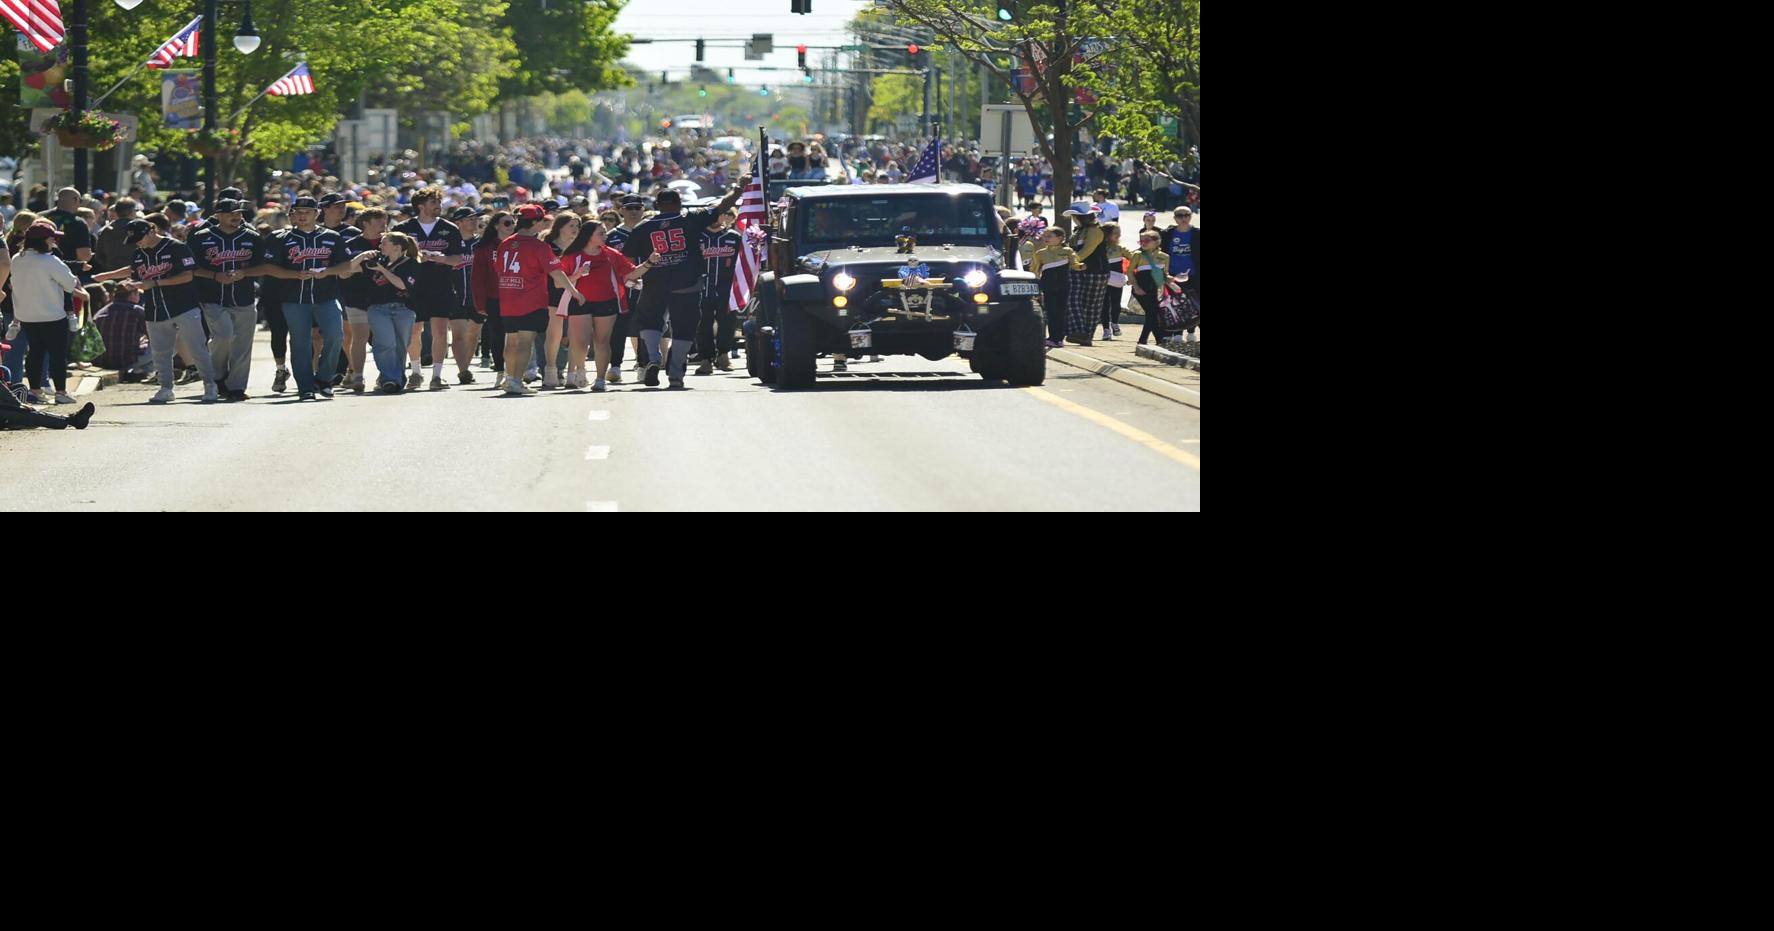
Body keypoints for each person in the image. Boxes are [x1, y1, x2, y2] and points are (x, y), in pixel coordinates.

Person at [620, 181, 748, 389]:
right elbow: (722, 207)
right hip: (687, 284)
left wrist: (635, 276)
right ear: (679, 204)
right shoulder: (690, 219)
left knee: (649, 322)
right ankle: (676, 373)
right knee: (684, 328)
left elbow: (627, 259)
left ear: (657, 205)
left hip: (654, 284)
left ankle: (653, 358)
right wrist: (738, 189)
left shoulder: (642, 227)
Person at [93, 218, 219, 403]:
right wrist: (112, 277)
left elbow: (187, 275)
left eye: (139, 238)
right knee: (160, 352)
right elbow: (134, 271)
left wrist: (155, 283)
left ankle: (210, 384)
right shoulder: (138, 253)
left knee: (197, 348)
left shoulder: (177, 247)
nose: (137, 243)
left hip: (184, 305)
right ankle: (166, 388)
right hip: (155, 308)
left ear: (152, 231)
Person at [251, 196, 355, 401]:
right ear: (292, 214)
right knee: (300, 343)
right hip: (294, 299)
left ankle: (324, 379)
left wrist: (327, 271)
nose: (302, 215)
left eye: (307, 212)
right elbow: (269, 267)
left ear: (317, 214)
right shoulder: (280, 238)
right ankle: (305, 387)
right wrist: (295, 274)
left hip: (326, 296)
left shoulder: (332, 236)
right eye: (298, 212)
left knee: (335, 336)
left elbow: (346, 265)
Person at [494, 204, 582, 396]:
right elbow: (557, 273)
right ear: (534, 222)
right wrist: (574, 291)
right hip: (530, 299)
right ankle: (516, 381)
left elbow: (498, 269)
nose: (544, 223)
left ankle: (509, 378)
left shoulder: (505, 243)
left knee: (511, 340)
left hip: (508, 298)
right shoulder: (539, 246)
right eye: (542, 220)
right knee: (525, 341)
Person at [393, 188, 471, 391]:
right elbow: (392, 257)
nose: (439, 206)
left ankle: (437, 375)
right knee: (414, 330)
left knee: (440, 330)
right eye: (433, 202)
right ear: (421, 206)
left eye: (439, 202)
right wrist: (415, 258)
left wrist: (440, 258)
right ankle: (415, 372)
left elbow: (459, 258)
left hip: (441, 284)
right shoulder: (404, 228)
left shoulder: (449, 228)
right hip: (412, 286)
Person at [560, 221, 648, 391]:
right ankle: (581, 370)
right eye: (600, 233)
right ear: (588, 236)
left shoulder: (611, 254)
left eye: (605, 233)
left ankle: (600, 379)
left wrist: (649, 263)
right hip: (579, 301)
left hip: (607, 301)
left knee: (602, 341)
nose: (605, 236)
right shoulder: (573, 255)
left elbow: (631, 273)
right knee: (580, 342)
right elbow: (559, 283)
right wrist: (577, 275)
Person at [188, 199, 261, 402]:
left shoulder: (252, 236)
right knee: (224, 335)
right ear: (218, 215)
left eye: (238, 213)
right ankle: (218, 376)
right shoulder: (200, 237)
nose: (236, 216)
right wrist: (214, 275)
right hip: (212, 296)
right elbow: (189, 267)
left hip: (244, 296)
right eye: (230, 213)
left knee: (243, 344)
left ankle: (236, 387)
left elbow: (264, 265)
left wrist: (244, 272)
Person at [8, 221, 85, 405]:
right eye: (52, 238)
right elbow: (70, 284)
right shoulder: (50, 261)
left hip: (26, 315)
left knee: (35, 352)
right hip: (52, 315)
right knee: (57, 354)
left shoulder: (17, 259)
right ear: (43, 240)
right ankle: (61, 392)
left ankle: (35, 390)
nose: (54, 242)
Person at [358, 231, 424, 394]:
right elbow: (351, 269)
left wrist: (382, 269)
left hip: (404, 309)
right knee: (385, 343)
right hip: (377, 308)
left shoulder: (411, 264)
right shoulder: (377, 260)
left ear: (397, 247)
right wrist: (361, 257)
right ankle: (389, 379)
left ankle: (396, 379)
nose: (380, 246)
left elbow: (402, 285)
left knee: (400, 346)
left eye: (384, 243)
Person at [339, 208, 392, 393]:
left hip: (384, 298)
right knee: (359, 337)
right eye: (379, 222)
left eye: (385, 221)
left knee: (383, 340)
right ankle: (358, 376)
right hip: (356, 297)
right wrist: (360, 259)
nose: (384, 225)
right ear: (365, 224)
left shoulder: (391, 242)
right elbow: (344, 273)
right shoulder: (350, 244)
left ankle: (385, 375)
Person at [602, 195, 649, 382]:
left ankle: (643, 365)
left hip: (647, 289)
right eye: (629, 208)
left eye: (638, 207)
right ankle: (615, 366)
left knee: (645, 328)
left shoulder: (650, 231)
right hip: (620, 290)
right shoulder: (612, 236)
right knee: (618, 329)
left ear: (643, 209)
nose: (634, 211)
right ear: (622, 210)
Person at [694, 207, 742, 376]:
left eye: (719, 215)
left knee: (727, 323)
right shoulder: (697, 236)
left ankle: (723, 355)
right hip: (702, 288)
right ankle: (705, 359)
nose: (715, 219)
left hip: (726, 289)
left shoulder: (734, 237)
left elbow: (742, 264)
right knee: (702, 324)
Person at [539, 212, 582, 389]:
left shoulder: (580, 246)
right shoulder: (547, 246)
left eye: (577, 226)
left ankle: (572, 374)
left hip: (577, 293)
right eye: (571, 225)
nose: (575, 229)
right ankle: (550, 370)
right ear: (560, 226)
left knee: (574, 335)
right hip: (553, 293)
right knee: (554, 334)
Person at [471, 212, 513, 385]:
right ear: (496, 226)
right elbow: (477, 277)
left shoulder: (520, 244)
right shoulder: (485, 248)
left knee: (517, 335)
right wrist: (480, 303)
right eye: (507, 223)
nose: (511, 226)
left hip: (518, 297)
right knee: (498, 335)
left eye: (513, 223)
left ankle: (516, 372)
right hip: (494, 298)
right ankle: (500, 371)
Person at [449, 207, 484, 384]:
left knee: (473, 332)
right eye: (470, 219)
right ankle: (463, 370)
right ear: (459, 223)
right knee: (458, 334)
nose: (475, 221)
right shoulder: (450, 244)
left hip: (477, 295)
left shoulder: (481, 244)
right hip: (455, 294)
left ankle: (466, 367)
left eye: (476, 218)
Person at [1063, 203, 1106, 347]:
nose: (1073, 219)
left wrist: (1070, 261)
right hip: (1078, 270)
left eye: (1074, 216)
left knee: (1092, 305)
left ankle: (1086, 336)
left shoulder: (1095, 231)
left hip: (1096, 271)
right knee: (1073, 299)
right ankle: (1079, 331)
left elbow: (1087, 250)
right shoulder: (1078, 231)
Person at [1030, 227, 1075, 349]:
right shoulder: (1040, 253)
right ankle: (1052, 337)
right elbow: (1035, 269)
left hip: (1064, 285)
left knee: (1061, 311)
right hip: (1048, 285)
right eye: (1044, 236)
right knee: (1051, 311)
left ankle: (1059, 338)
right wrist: (1035, 282)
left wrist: (1080, 266)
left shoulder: (1067, 251)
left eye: (1049, 236)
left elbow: (1075, 262)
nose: (1046, 238)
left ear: (1060, 238)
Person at [92, 281, 149, 375]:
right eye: (138, 294)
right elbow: (154, 337)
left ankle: (136, 372)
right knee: (167, 345)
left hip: (101, 361)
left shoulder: (100, 312)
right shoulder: (137, 310)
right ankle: (138, 373)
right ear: (132, 294)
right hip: (126, 361)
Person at [1099, 223, 1132, 341]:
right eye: (1115, 233)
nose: (1118, 235)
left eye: (1119, 232)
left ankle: (1115, 323)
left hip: (1117, 280)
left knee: (1116, 302)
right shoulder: (1099, 248)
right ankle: (1106, 329)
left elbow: (1133, 257)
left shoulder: (1120, 248)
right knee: (1104, 304)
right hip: (1103, 279)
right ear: (1107, 234)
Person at [93, 198, 140, 274]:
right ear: (131, 212)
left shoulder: (105, 230)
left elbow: (99, 256)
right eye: (135, 210)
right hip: (134, 273)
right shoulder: (138, 229)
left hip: (111, 272)